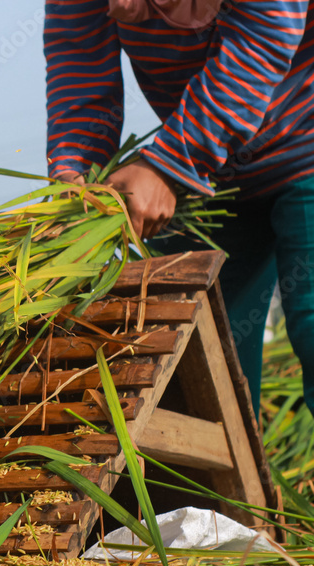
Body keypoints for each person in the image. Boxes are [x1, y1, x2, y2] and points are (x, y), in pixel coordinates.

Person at [44, 0, 314, 420]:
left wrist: (167, 165)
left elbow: (264, 34)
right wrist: (76, 180)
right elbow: (81, 72)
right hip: (215, 181)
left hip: (304, 143)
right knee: (184, 358)